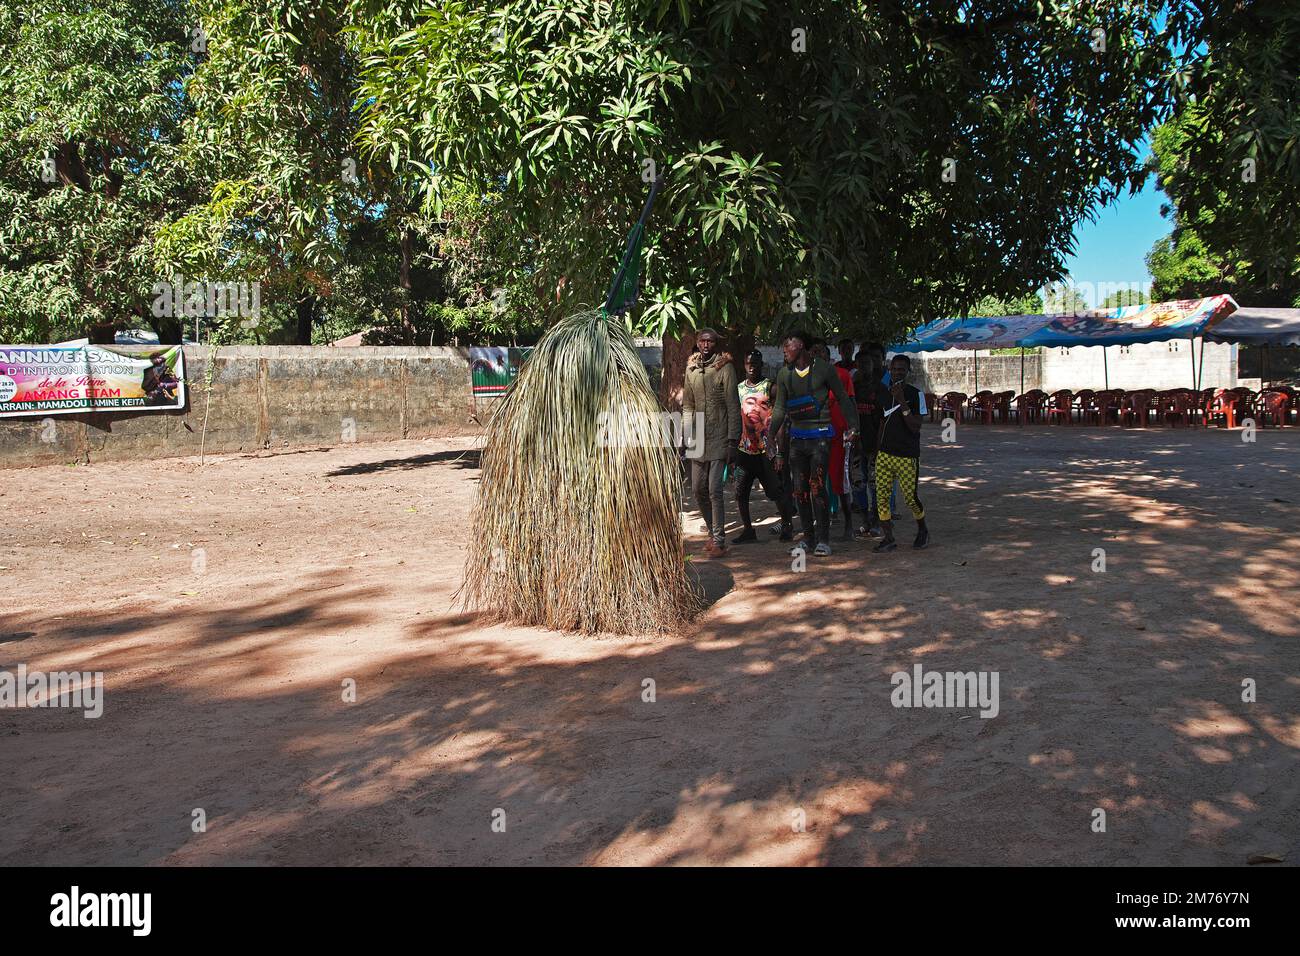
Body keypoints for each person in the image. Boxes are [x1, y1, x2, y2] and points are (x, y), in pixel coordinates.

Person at [769, 331, 858, 557]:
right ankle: (807, 539)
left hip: (820, 436)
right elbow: (779, 408)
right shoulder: (783, 374)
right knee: (799, 491)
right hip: (797, 438)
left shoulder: (824, 370)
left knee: (817, 487)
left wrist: (853, 426)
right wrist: (770, 435)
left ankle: (823, 539)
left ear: (799, 345)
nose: (784, 351)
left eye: (786, 347)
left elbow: (842, 398)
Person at [682, 328, 741, 556]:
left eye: (710, 341)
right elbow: (688, 405)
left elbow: (733, 406)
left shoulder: (725, 368)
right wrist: (685, 435)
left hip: (719, 435)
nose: (706, 345)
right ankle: (711, 531)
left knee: (715, 489)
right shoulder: (691, 369)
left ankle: (719, 540)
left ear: (715, 344)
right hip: (698, 436)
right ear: (697, 343)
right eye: (702, 341)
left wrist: (733, 441)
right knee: (698, 489)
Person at [871, 354, 930, 553]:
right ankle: (888, 538)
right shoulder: (883, 394)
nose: (897, 373)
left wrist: (902, 400)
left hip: (907, 455)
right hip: (885, 454)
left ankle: (923, 530)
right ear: (889, 370)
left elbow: (915, 427)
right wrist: (877, 450)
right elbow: (881, 423)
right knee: (882, 498)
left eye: (901, 369)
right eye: (894, 369)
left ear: (908, 371)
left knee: (910, 498)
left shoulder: (916, 395)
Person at [734, 350, 793, 542]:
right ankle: (748, 530)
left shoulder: (770, 387)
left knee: (775, 491)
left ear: (762, 365)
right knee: (741, 492)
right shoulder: (739, 388)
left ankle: (786, 525)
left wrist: (778, 451)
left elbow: (780, 417)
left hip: (766, 449)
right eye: (749, 363)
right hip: (745, 449)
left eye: (756, 364)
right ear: (744, 365)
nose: (752, 367)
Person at [814, 343, 856, 540]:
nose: (817, 355)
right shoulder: (804, 379)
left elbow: (850, 403)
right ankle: (821, 526)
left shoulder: (842, 375)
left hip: (839, 435)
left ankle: (848, 523)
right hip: (814, 437)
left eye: (820, 352)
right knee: (816, 482)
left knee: (841, 481)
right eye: (813, 352)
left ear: (828, 356)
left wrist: (855, 429)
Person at [852, 343, 887, 538]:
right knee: (858, 483)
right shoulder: (853, 388)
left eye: (868, 363)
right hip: (858, 444)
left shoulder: (880, 388)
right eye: (861, 363)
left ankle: (877, 520)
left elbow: (883, 418)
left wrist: (879, 443)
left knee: (875, 484)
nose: (865, 366)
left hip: (875, 444)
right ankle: (864, 519)